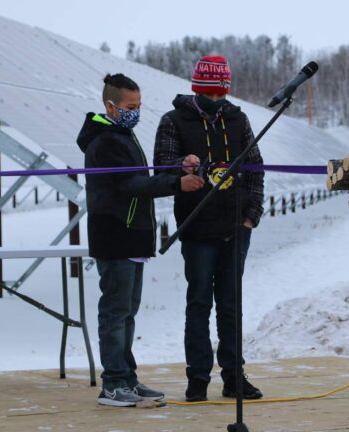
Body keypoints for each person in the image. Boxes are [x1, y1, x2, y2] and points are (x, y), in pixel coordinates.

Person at [77, 73, 205, 407]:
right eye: (130, 106)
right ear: (110, 105)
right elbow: (130, 186)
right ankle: (113, 384)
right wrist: (177, 184)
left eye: (139, 105)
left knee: (127, 312)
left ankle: (127, 378)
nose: (136, 111)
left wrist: (178, 169)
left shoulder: (122, 134)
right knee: (115, 312)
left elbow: (141, 180)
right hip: (115, 234)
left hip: (132, 235)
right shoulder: (104, 142)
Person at [154, 56, 265, 402]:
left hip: (235, 227)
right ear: (196, 89)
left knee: (231, 304)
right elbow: (162, 168)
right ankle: (198, 378)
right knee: (199, 301)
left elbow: (256, 167)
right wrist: (180, 168)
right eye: (209, 95)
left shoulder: (238, 120)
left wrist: (251, 215)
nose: (215, 102)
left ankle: (233, 375)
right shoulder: (173, 121)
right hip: (197, 225)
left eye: (220, 95)